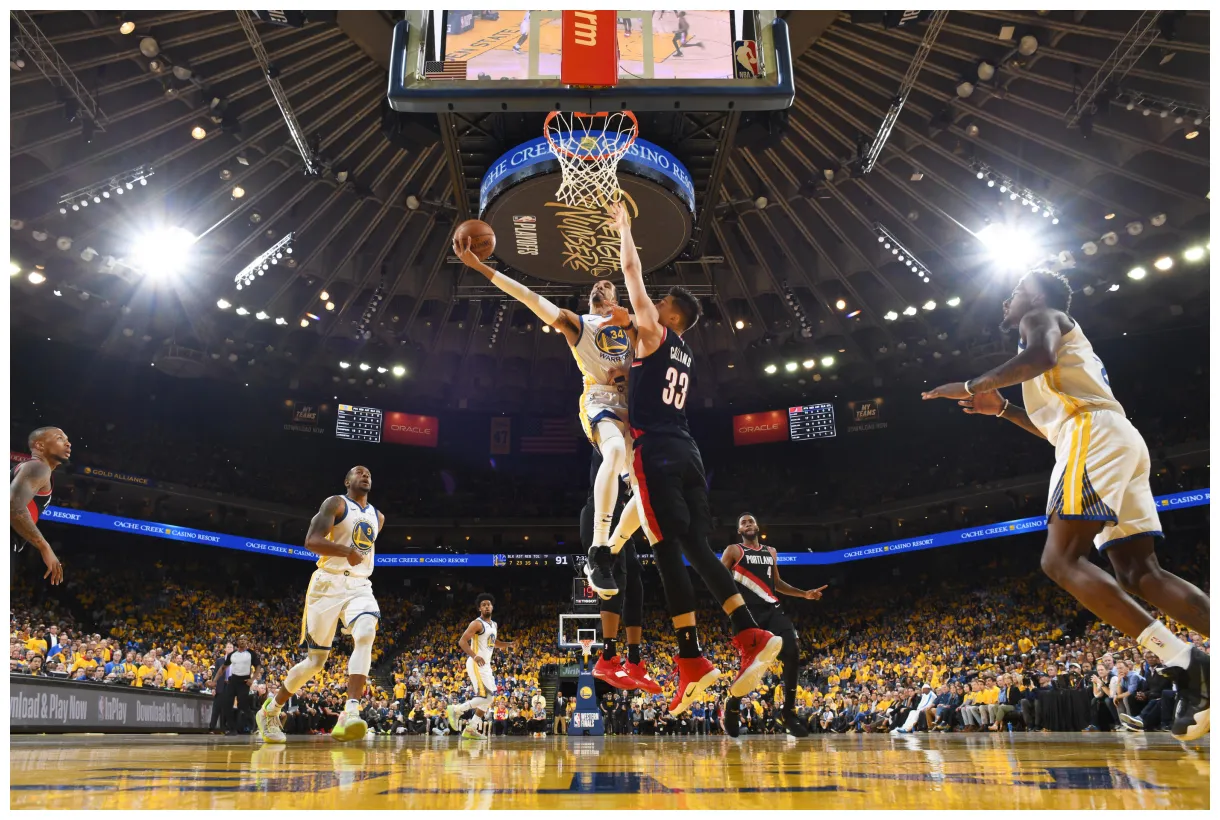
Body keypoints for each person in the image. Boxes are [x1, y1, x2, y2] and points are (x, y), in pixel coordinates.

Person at [922, 269, 1209, 743]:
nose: (1007, 302)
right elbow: (1055, 431)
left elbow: (1040, 356)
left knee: (1059, 560)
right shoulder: (1067, 357)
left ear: (1033, 295)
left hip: (1092, 436)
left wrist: (972, 386)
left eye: (1013, 292)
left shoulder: (1040, 315)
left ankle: (1185, 660)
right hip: (1114, 436)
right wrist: (1005, 410)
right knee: (1141, 573)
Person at [607, 201, 781, 717]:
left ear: (671, 314)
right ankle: (741, 633)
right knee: (693, 547)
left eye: (656, 304)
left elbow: (632, 272)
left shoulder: (658, 331)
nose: (649, 306)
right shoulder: (680, 349)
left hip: (656, 451)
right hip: (688, 452)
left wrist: (624, 229)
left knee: (663, 552)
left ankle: (697, 661)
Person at [453, 236, 634, 600]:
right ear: (591, 300)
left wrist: (634, 373)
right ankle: (598, 548)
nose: (600, 285)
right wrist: (483, 268)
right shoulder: (579, 324)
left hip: (636, 409)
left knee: (647, 499)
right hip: (600, 401)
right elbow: (531, 299)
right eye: (596, 286)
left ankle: (610, 554)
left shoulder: (635, 327)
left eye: (608, 285)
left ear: (616, 299)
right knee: (612, 453)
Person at [256, 466, 384, 744]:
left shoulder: (378, 516)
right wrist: (344, 551)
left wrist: (352, 556)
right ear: (347, 480)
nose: (365, 475)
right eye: (358, 472)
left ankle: (350, 712)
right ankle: (271, 709)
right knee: (316, 662)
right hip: (328, 584)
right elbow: (311, 541)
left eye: (368, 473)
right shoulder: (336, 503)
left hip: (360, 584)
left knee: (365, 633)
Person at [719, 512, 826, 738]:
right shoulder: (734, 551)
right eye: (743, 523)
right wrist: (730, 608)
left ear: (757, 526)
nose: (748, 524)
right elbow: (718, 580)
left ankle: (788, 713)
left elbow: (776, 583)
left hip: (772, 609)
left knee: (793, 652)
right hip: (746, 612)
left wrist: (804, 594)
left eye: (751, 521)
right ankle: (733, 704)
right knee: (751, 665)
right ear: (739, 531)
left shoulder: (770, 552)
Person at [447, 593, 515, 740]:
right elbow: (462, 641)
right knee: (486, 696)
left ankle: (471, 728)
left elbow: (493, 642)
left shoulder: (494, 624)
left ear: (492, 607)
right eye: (483, 605)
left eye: (488, 604)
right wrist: (474, 656)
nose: (486, 606)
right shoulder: (476, 623)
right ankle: (457, 709)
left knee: (490, 699)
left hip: (486, 665)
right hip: (476, 663)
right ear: (479, 608)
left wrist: (507, 644)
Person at [9, 427, 68, 584]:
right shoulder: (38, 467)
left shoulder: (34, 469)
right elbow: (13, 507)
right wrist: (44, 546)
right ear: (40, 446)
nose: (68, 444)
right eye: (60, 438)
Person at [213, 635, 260, 735]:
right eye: (240, 639)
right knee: (227, 704)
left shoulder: (251, 653)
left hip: (244, 682)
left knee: (243, 705)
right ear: (237, 642)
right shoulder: (232, 654)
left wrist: (252, 679)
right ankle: (232, 729)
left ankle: (254, 726)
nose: (242, 641)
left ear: (247, 641)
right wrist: (214, 680)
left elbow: (258, 667)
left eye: (244, 639)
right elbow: (223, 668)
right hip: (233, 681)